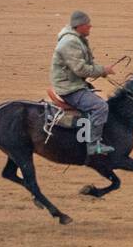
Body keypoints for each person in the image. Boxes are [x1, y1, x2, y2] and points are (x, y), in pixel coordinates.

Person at [50, 10, 118, 156]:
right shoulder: (70, 42)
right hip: (69, 88)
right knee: (100, 107)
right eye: (88, 25)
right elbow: (80, 69)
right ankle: (93, 145)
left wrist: (101, 71)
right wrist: (102, 70)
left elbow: (86, 64)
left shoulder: (77, 39)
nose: (90, 27)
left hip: (73, 83)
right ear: (79, 26)